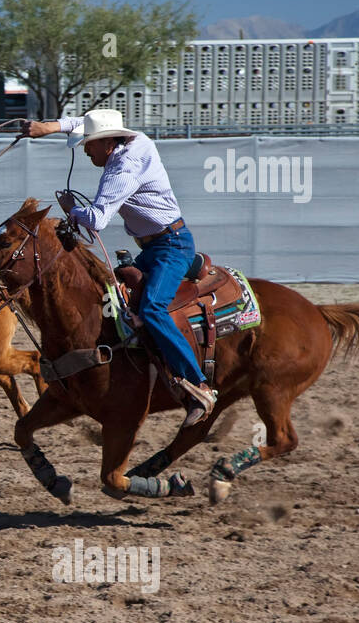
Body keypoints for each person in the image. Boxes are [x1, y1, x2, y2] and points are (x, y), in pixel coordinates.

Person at [25, 108, 218, 428]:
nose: (85, 150)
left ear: (106, 143)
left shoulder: (122, 170)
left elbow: (98, 220)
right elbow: (81, 122)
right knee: (110, 295)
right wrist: (49, 128)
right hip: (160, 244)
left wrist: (73, 211)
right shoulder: (137, 141)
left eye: (88, 144)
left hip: (170, 248)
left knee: (153, 308)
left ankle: (198, 384)